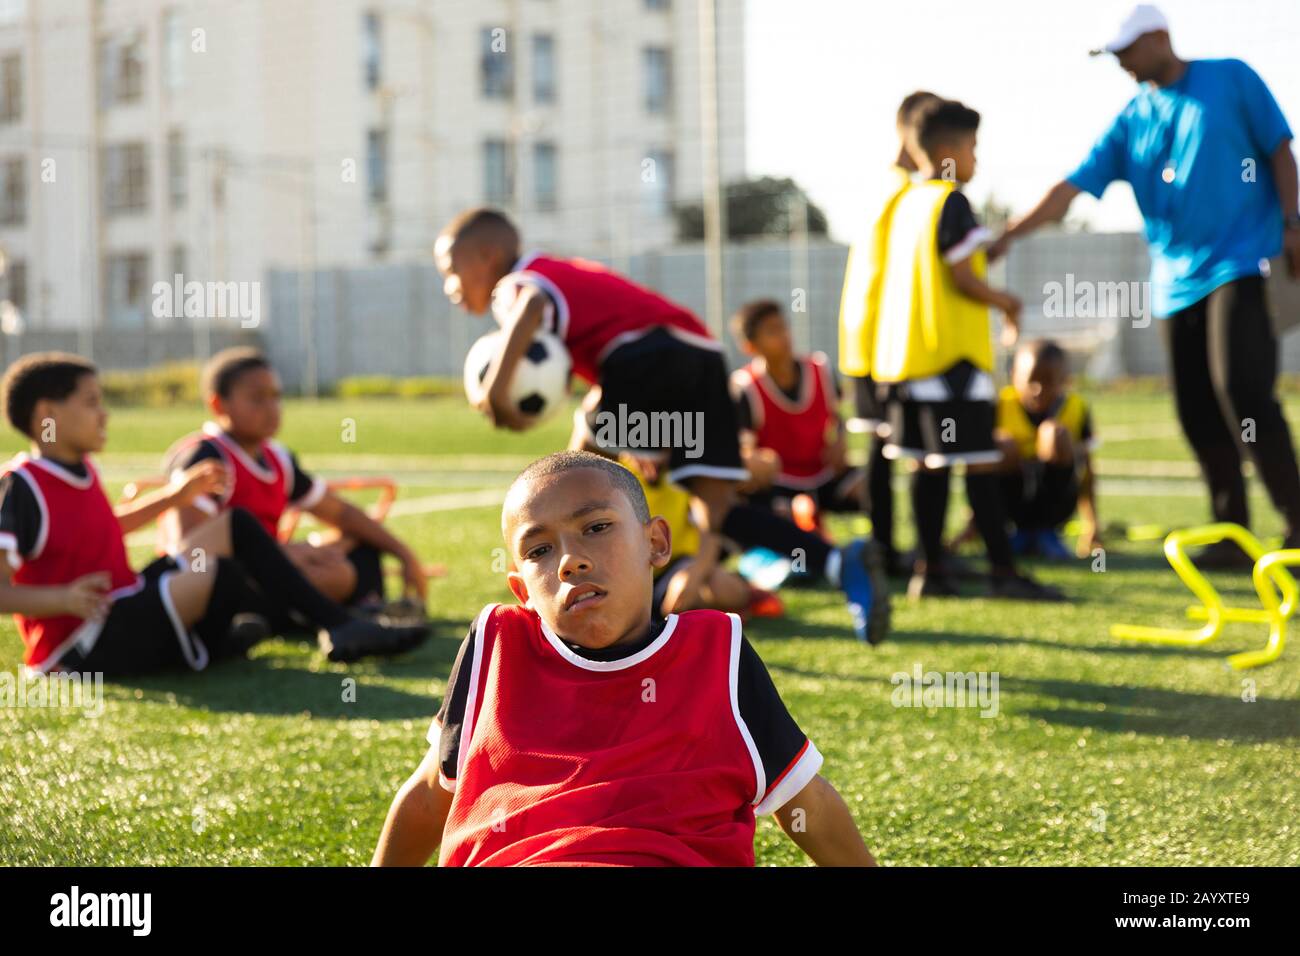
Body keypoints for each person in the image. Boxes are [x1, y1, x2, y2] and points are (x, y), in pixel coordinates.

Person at [371, 450, 876, 867]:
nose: (570, 560)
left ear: (656, 542)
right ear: (521, 590)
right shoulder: (496, 645)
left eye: (595, 528)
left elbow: (804, 802)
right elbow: (429, 796)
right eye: (540, 550)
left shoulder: (715, 652)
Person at [435, 207, 889, 643]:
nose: (449, 289)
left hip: (646, 356)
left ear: (485, 258)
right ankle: (837, 562)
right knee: (716, 506)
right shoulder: (563, 274)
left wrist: (495, 394)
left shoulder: (519, 282)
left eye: (450, 272)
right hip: (701, 356)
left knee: (578, 475)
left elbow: (532, 302)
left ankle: (546, 605)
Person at [993, 3, 1300, 569]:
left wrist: (1292, 223)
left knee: (1243, 392)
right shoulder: (1133, 117)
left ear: (1160, 37)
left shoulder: (1230, 77)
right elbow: (1070, 189)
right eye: (1114, 56)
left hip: (1242, 263)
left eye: (1127, 51)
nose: (1122, 65)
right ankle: (1231, 534)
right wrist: (1009, 234)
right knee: (1194, 410)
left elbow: (1280, 148)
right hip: (1173, 284)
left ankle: (1298, 527)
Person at [0, 353, 424, 674]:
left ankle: (239, 637)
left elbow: (104, 530)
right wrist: (64, 600)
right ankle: (336, 624)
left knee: (230, 554)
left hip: (121, 606)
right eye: (91, 402)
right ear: (46, 415)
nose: (104, 413)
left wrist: (173, 496)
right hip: (81, 643)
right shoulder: (20, 484)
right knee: (231, 542)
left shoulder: (79, 470)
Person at [873, 99, 1063, 601]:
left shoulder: (908, 203)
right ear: (951, 150)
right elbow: (961, 277)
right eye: (974, 147)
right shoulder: (949, 200)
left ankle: (929, 571)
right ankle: (1003, 572)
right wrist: (1006, 301)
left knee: (926, 464)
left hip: (910, 362)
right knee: (978, 463)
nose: (978, 158)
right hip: (953, 359)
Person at [162, 348, 428, 611]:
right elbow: (190, 557)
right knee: (247, 578)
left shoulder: (277, 458)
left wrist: (404, 553)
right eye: (257, 399)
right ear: (218, 404)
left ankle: (350, 605)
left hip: (272, 569)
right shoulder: (205, 457)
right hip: (223, 581)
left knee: (360, 543)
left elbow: (342, 513)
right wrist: (284, 556)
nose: (272, 408)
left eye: (276, 397)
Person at [838, 89, 941, 577]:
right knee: (909, 449)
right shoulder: (906, 192)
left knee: (881, 446)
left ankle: (887, 549)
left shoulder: (879, 184)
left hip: (864, 336)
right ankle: (912, 556)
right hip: (886, 341)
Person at [729, 299, 862, 518]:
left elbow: (839, 417)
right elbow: (744, 450)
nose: (784, 336)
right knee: (757, 503)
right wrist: (759, 461)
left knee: (871, 485)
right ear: (750, 346)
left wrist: (840, 440)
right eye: (772, 332)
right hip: (779, 483)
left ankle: (883, 548)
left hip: (824, 473)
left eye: (783, 326)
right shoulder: (745, 387)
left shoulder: (820, 368)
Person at [990, 340, 1101, 559]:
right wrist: (973, 524)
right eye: (1031, 381)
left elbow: (1087, 471)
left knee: (1055, 434)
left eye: (1048, 382)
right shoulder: (1000, 406)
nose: (1038, 390)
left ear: (1065, 379)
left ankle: (1045, 532)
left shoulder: (1076, 408)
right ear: (1014, 375)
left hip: (1057, 503)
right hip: (1011, 501)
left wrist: (1092, 526)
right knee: (1002, 444)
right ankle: (1007, 532)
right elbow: (979, 470)